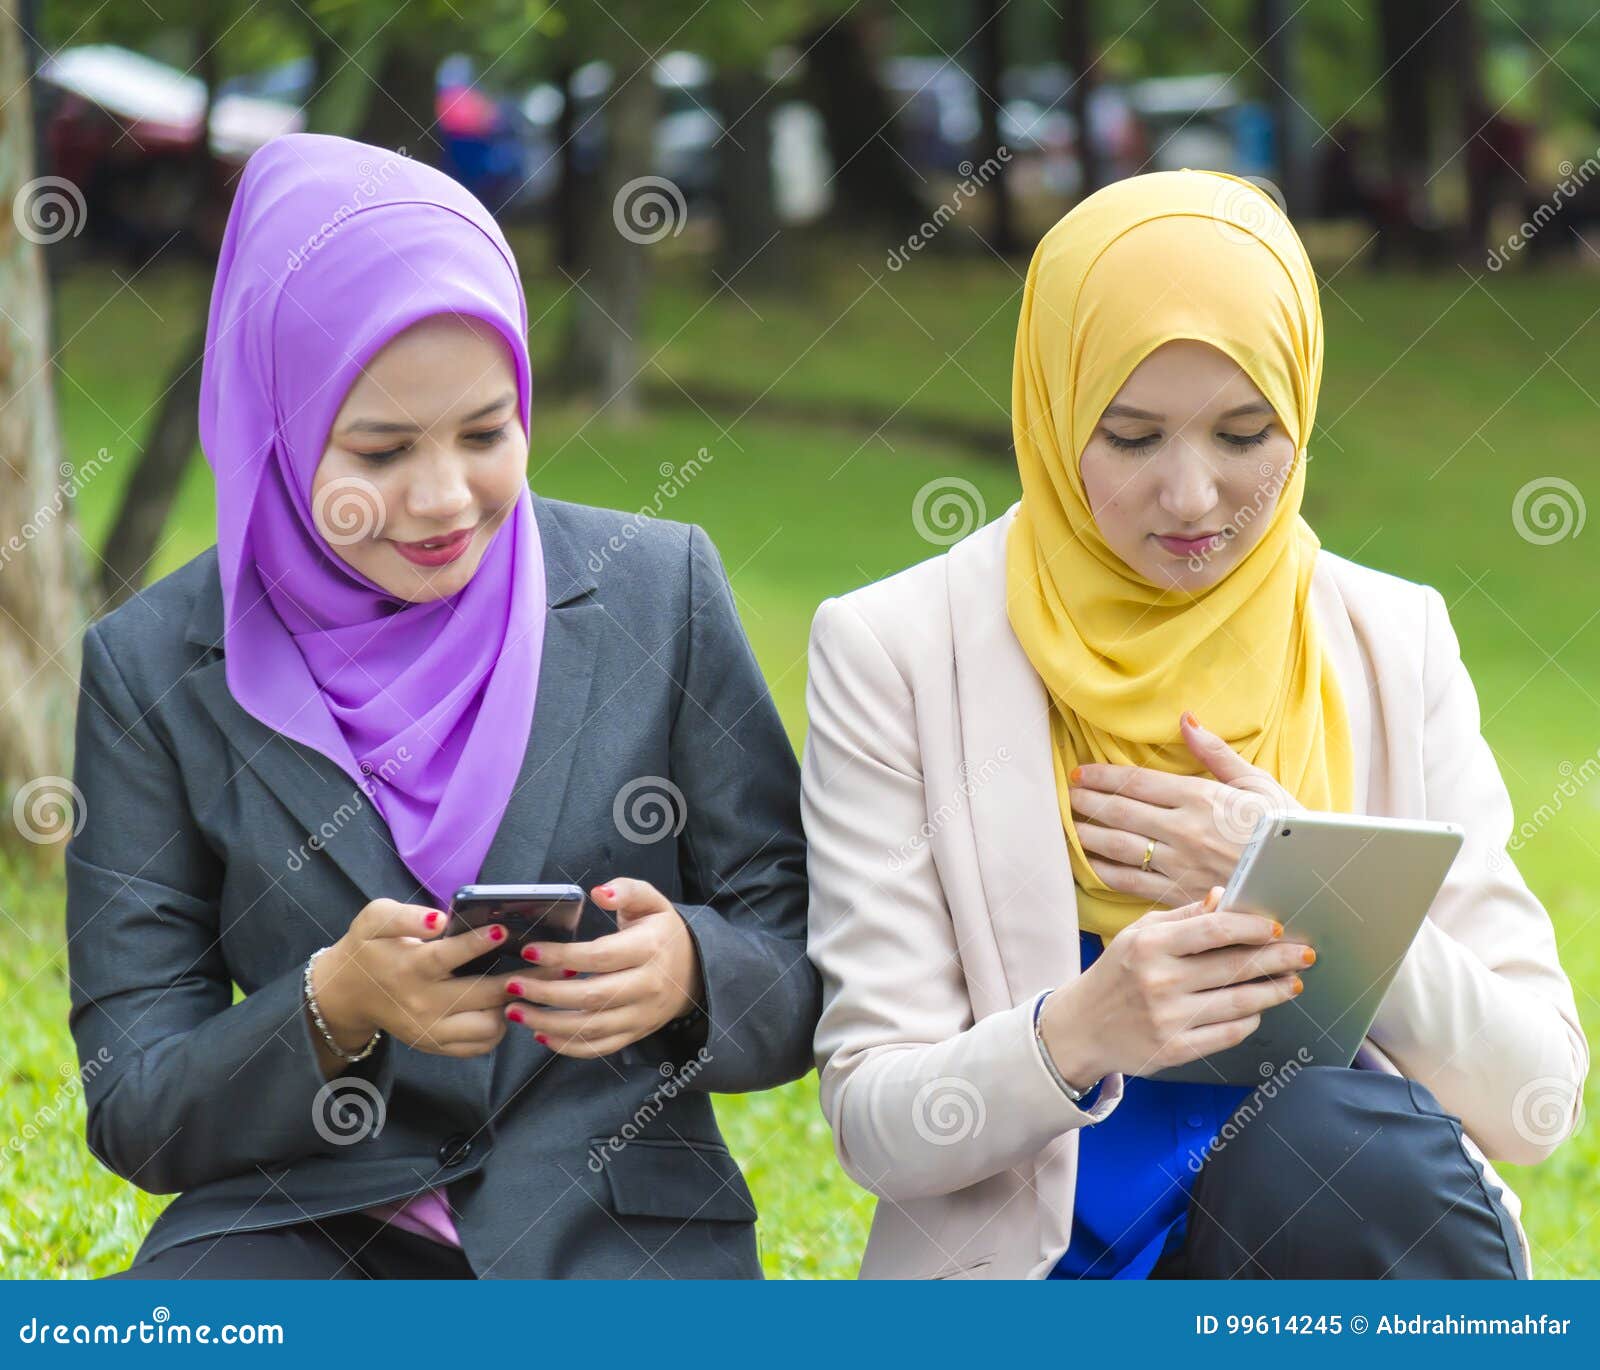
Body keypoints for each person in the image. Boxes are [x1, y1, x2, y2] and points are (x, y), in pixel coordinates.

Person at [800, 169, 1588, 1280]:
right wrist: (1082, 1027)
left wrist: (1311, 882)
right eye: (1129, 437)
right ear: (1053, 408)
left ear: (1300, 411)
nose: (1191, 497)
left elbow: (1537, 1093)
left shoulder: (1388, 637)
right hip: (1035, 1278)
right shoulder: (897, 650)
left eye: (1242, 432)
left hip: (1330, 1251)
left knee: (1330, 1145)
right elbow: (876, 1123)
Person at [67, 133, 818, 1280]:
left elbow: (809, 943)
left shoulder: (656, 590)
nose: (440, 499)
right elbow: (137, 1097)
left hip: (618, 1240)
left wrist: (690, 970)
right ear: (274, 426)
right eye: (377, 449)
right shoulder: (151, 667)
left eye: (486, 432)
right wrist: (334, 1000)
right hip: (296, 1235)